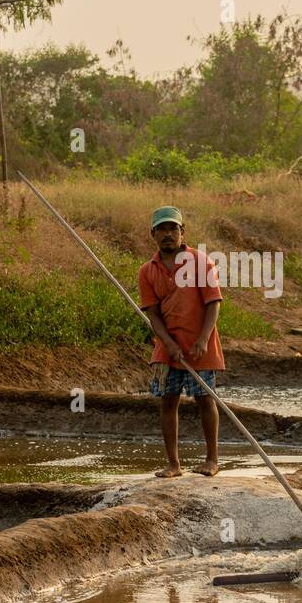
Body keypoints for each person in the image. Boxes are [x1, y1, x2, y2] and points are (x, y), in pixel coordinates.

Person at [138, 205, 223, 478]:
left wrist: (203, 339)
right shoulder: (147, 271)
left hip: (200, 345)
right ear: (153, 234)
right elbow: (153, 313)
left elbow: (213, 303)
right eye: (162, 229)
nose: (168, 234)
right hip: (167, 347)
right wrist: (168, 344)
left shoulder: (201, 262)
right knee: (168, 401)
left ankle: (212, 460)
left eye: (173, 228)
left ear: (182, 232)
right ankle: (174, 464)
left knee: (204, 399)